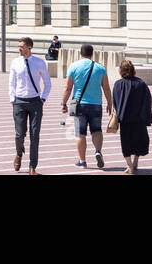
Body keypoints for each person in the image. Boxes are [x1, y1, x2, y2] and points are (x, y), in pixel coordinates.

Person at [60, 44, 112, 170]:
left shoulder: (74, 66)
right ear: (92, 53)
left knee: (80, 134)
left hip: (79, 105)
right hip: (96, 104)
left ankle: (82, 161)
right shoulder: (100, 68)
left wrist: (64, 103)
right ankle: (98, 151)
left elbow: (68, 87)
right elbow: (106, 87)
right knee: (97, 130)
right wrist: (110, 103)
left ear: (80, 53)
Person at [9, 36, 51, 175]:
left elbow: (47, 82)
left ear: (29, 47)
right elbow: (12, 82)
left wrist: (43, 99)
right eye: (19, 46)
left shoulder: (39, 62)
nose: (19, 48)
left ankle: (33, 165)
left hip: (35, 102)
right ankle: (19, 154)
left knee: (35, 135)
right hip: (19, 102)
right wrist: (12, 98)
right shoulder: (15, 62)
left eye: (21, 46)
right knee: (19, 134)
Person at [111, 59, 152, 173]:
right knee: (139, 141)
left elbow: (115, 101)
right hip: (139, 118)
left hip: (124, 119)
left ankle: (129, 165)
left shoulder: (118, 84)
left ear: (121, 71)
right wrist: (146, 117)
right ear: (133, 70)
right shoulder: (141, 83)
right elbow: (147, 101)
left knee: (126, 142)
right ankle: (135, 162)